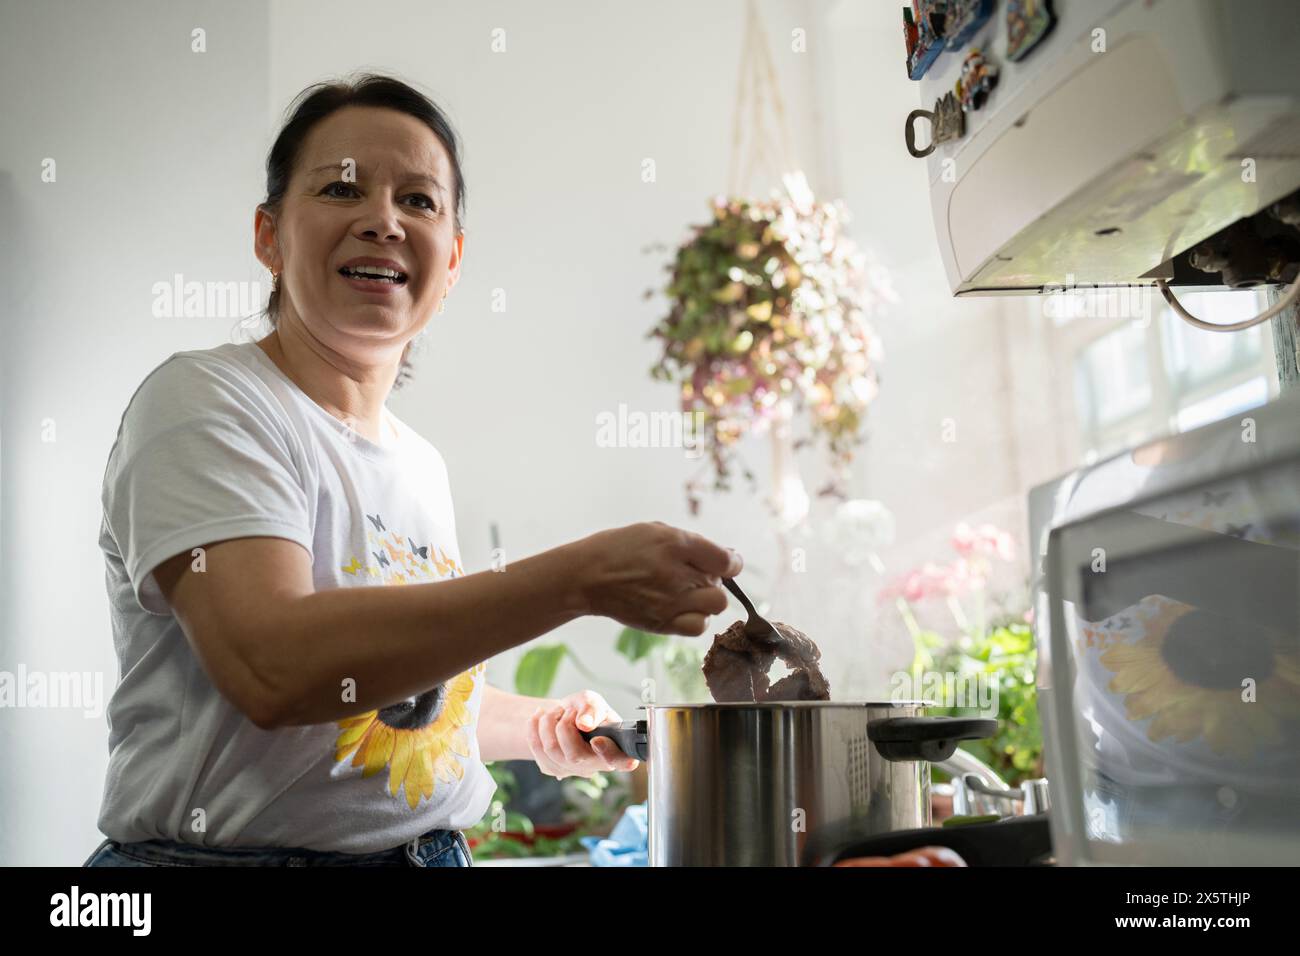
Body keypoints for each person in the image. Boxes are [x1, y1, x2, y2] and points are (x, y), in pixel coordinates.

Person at [84, 73, 739, 868]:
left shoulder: (417, 463)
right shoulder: (205, 402)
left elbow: (384, 705)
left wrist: (528, 725)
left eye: (420, 202)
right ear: (268, 236)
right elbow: (274, 667)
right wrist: (577, 581)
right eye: (340, 190)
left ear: (452, 260)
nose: (382, 222)